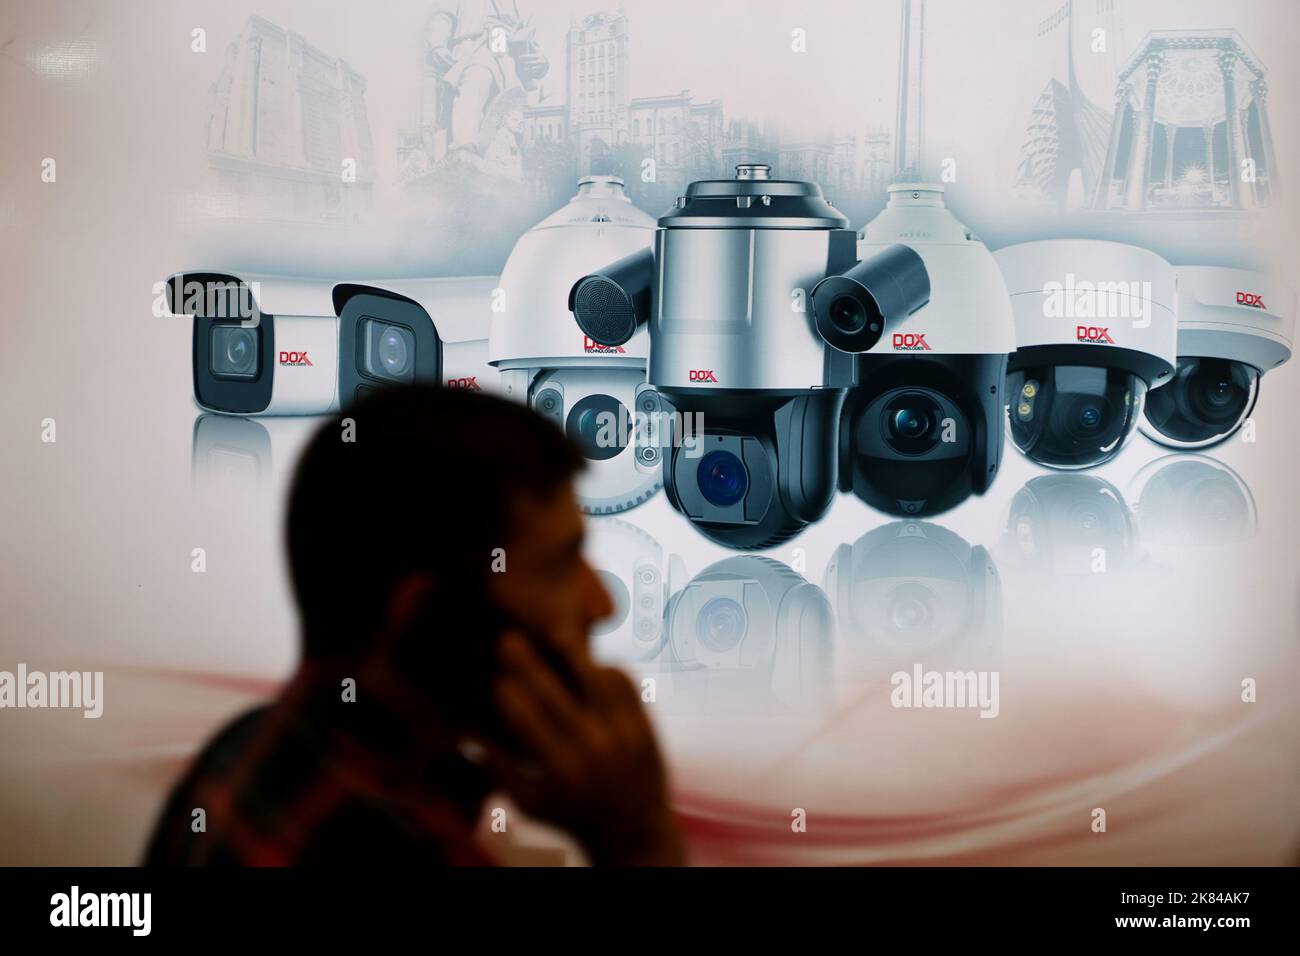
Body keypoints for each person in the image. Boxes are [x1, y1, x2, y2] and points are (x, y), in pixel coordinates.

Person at [143, 385, 684, 866]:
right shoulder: (399, 849)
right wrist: (639, 839)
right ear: (431, 618)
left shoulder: (243, 745)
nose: (601, 605)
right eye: (560, 566)